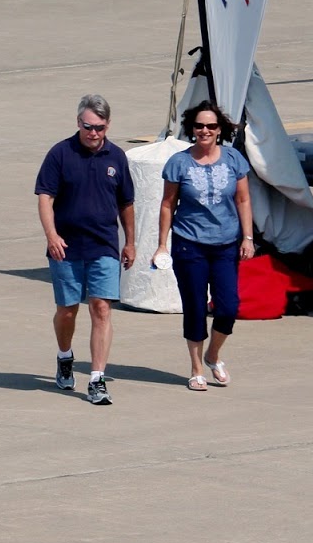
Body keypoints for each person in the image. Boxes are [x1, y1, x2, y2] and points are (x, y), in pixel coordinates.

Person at [35, 95, 136, 406]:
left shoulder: (116, 157)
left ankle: (96, 379)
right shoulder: (60, 154)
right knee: (67, 310)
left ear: (108, 126)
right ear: (78, 123)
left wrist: (130, 241)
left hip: (103, 246)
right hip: (66, 247)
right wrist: (51, 235)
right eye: (88, 126)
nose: (94, 133)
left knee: (102, 309)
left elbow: (126, 203)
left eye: (100, 128)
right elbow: (44, 198)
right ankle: (65, 357)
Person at [155, 102, 255, 391]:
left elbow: (243, 200)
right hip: (190, 245)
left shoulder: (234, 159)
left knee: (228, 306)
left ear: (219, 129)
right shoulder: (179, 163)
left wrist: (247, 238)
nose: (205, 131)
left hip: (225, 245)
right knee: (195, 306)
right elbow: (167, 204)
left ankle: (213, 355)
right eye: (199, 126)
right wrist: (162, 244)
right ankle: (196, 367)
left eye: (211, 126)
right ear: (192, 129)